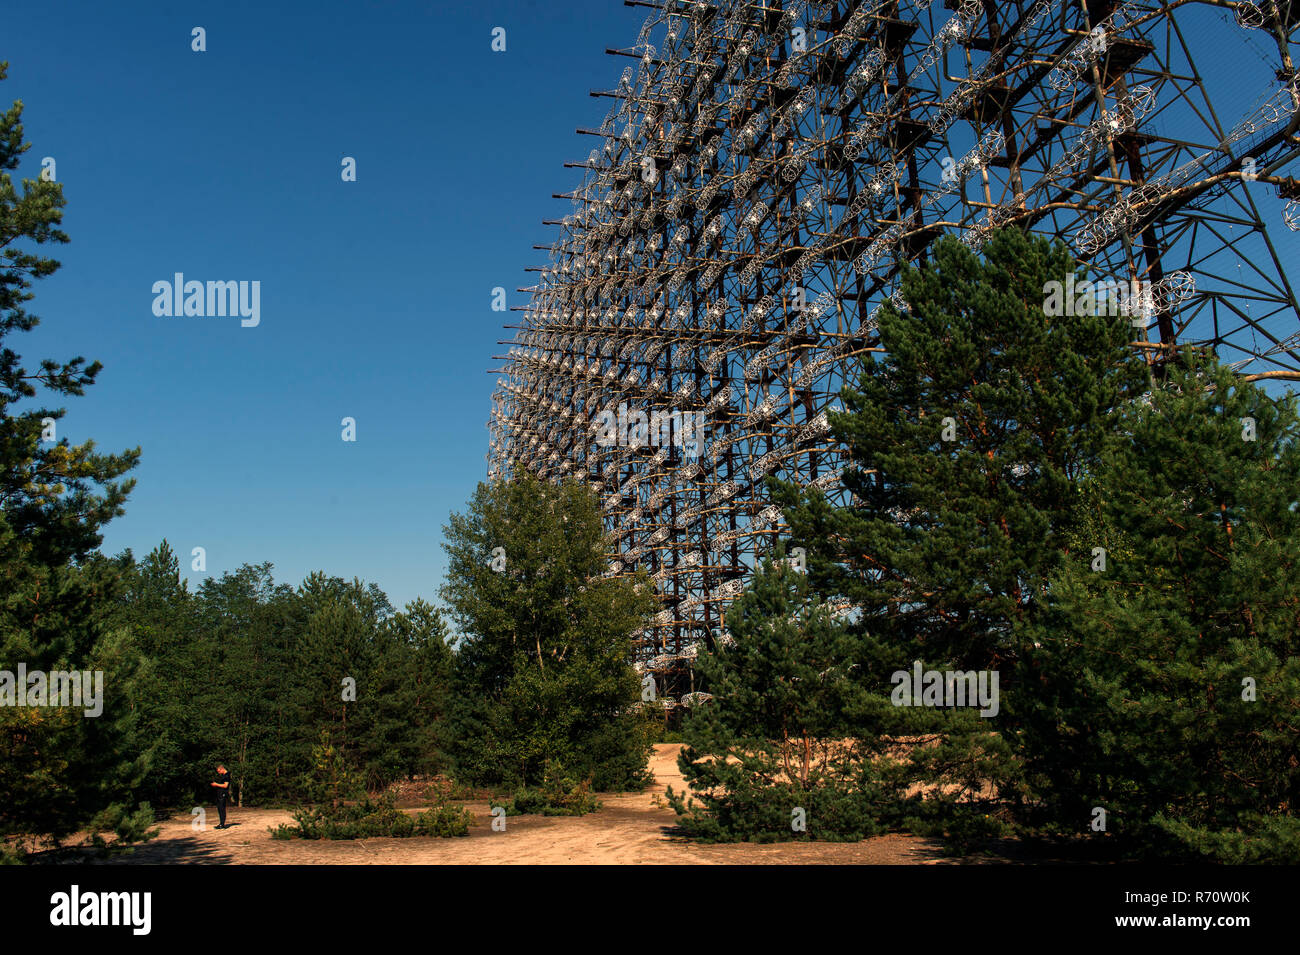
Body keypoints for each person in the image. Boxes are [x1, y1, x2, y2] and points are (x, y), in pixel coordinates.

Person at [209, 764, 232, 829]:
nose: (218, 773)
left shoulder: (227, 776)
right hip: (220, 793)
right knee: (219, 808)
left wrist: (216, 784)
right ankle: (221, 823)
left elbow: (225, 785)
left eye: (219, 771)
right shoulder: (224, 775)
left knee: (222, 808)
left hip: (223, 794)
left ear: (222, 769)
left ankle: (222, 824)